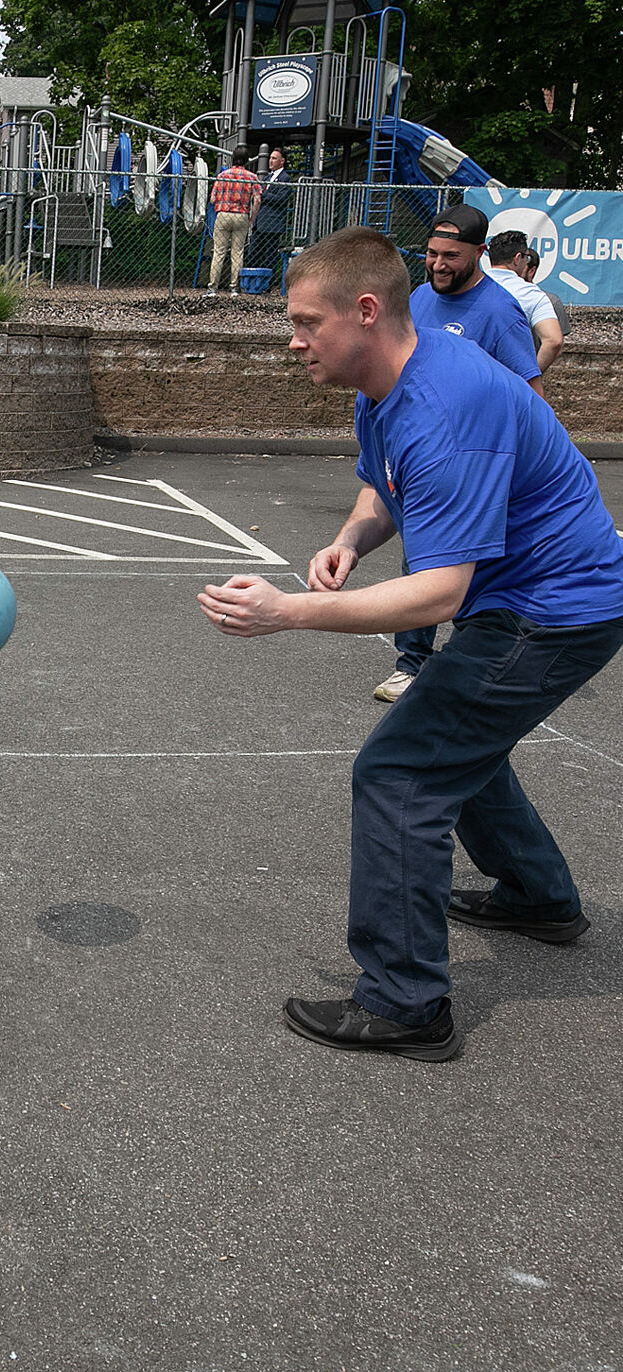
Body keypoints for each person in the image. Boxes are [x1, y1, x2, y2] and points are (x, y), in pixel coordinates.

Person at [199, 225, 623, 1063]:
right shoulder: (382, 386)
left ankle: (405, 1001)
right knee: (457, 739)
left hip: (557, 612)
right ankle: (540, 896)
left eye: (304, 322)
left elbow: (439, 593)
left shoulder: (445, 406)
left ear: (364, 312)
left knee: (400, 772)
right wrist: (352, 540)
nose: (292, 341)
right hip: (538, 601)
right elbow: (380, 485)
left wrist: (286, 612)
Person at [375, 203, 544, 702]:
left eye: (452, 255)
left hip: (477, 466)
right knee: (420, 559)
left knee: (465, 571)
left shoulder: (499, 312)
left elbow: (530, 395)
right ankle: (412, 663)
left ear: (480, 253)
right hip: (423, 461)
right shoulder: (420, 298)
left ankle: (475, 661)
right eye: (432, 253)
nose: (439, 264)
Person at [483, 229, 563, 375]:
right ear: (517, 258)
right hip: (510, 380)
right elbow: (554, 341)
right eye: (526, 257)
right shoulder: (532, 294)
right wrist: (529, 377)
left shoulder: (468, 286)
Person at [204, 145, 262, 297]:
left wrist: (220, 205)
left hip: (223, 214)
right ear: (247, 160)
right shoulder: (251, 177)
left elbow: (212, 199)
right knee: (237, 252)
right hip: (241, 215)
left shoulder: (223, 175)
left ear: (232, 158)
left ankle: (212, 288)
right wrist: (251, 218)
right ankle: (234, 287)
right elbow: (257, 200)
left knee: (218, 252)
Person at [249, 148, 292, 272]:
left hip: (273, 224)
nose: (271, 161)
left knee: (269, 256)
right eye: (270, 158)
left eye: (274, 158)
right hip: (260, 223)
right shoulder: (268, 178)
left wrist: (263, 194)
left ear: (282, 161)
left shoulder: (285, 178)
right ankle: (253, 279)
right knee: (253, 253)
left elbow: (282, 199)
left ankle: (267, 283)